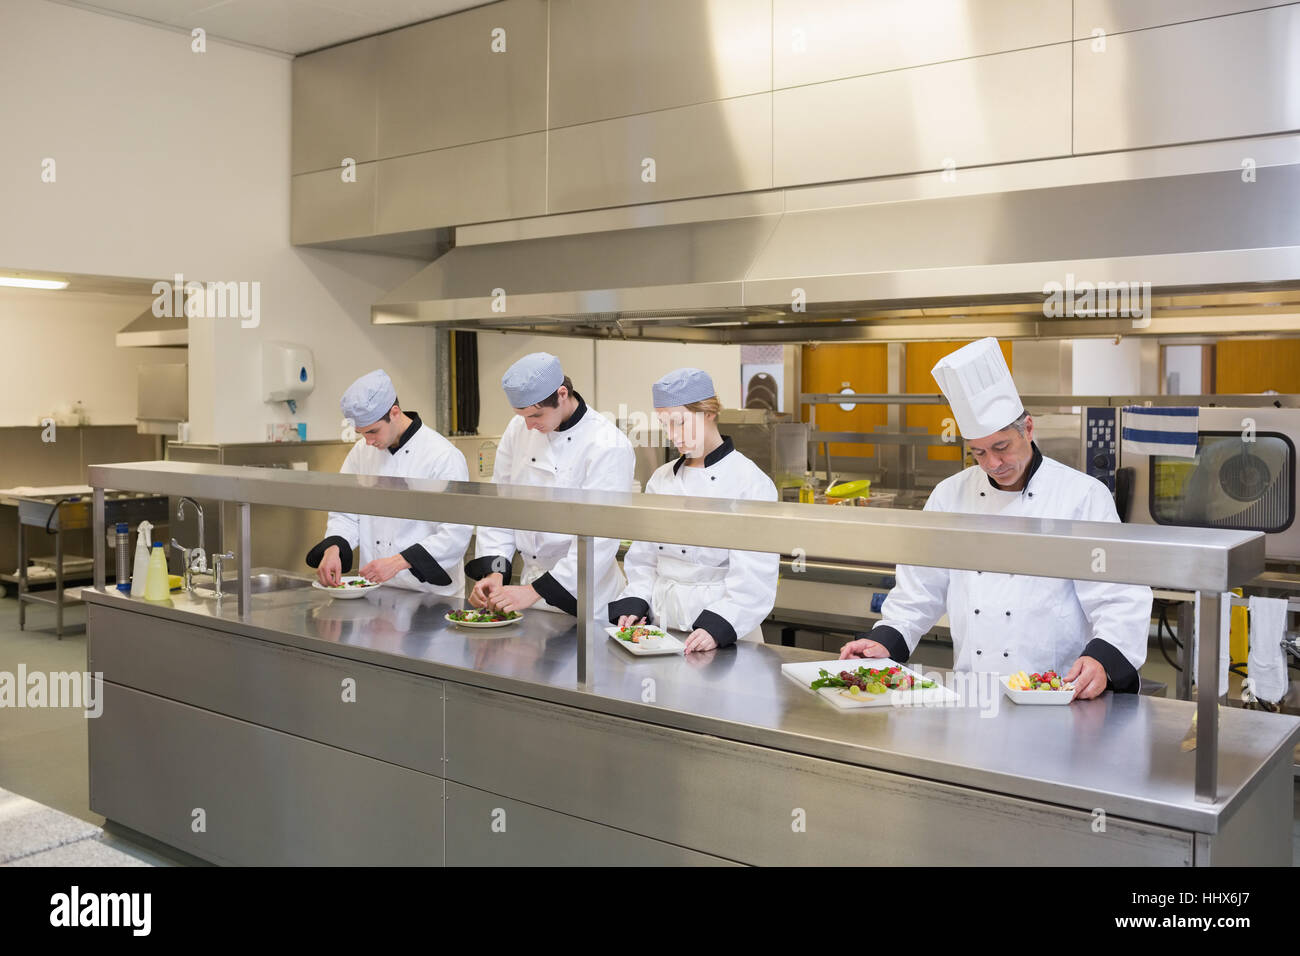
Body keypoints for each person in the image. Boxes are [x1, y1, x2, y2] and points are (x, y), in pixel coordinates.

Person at [839, 337, 1152, 698]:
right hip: (973, 693)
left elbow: (1120, 595)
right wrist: (885, 641)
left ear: (1028, 429)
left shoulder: (1081, 497)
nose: (993, 464)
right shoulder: (949, 496)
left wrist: (1102, 658)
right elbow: (918, 590)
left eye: (1002, 447)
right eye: (979, 453)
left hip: (1059, 693)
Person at [609, 368, 779, 653]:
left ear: (709, 412)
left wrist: (716, 627)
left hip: (725, 632)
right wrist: (636, 601)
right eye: (665, 424)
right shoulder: (661, 479)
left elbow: (755, 579)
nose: (672, 435)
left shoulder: (751, 483)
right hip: (662, 624)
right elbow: (644, 558)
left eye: (680, 423)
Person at [466, 352, 635, 615]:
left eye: (537, 415)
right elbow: (500, 506)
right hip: (527, 590)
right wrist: (495, 572)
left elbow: (600, 538)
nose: (529, 426)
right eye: (522, 416)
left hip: (585, 597)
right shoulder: (517, 429)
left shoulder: (607, 444)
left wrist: (534, 592)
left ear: (562, 393)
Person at [306, 369, 472, 596]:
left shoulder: (442, 456)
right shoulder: (360, 453)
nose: (368, 441)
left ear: (394, 412)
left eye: (373, 431)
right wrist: (334, 547)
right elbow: (345, 511)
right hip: (376, 590)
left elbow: (455, 533)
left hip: (430, 595)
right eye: (361, 433)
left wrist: (398, 562)